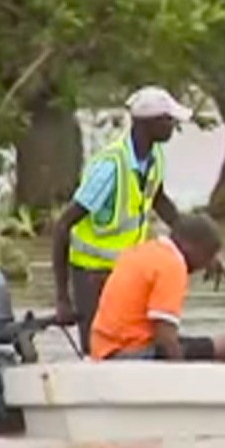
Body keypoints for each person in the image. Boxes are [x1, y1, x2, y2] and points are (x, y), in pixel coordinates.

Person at [52, 86, 191, 353]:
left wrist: (195, 241)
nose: (173, 125)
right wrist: (62, 297)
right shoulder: (110, 168)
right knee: (97, 350)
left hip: (127, 273)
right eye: (168, 119)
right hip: (93, 275)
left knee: (134, 343)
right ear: (148, 124)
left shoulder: (155, 158)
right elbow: (63, 225)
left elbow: (159, 200)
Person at [88, 213, 225, 362]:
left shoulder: (144, 251)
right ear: (192, 247)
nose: (204, 266)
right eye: (207, 257)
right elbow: (166, 342)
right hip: (128, 352)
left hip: (103, 349)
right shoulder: (172, 265)